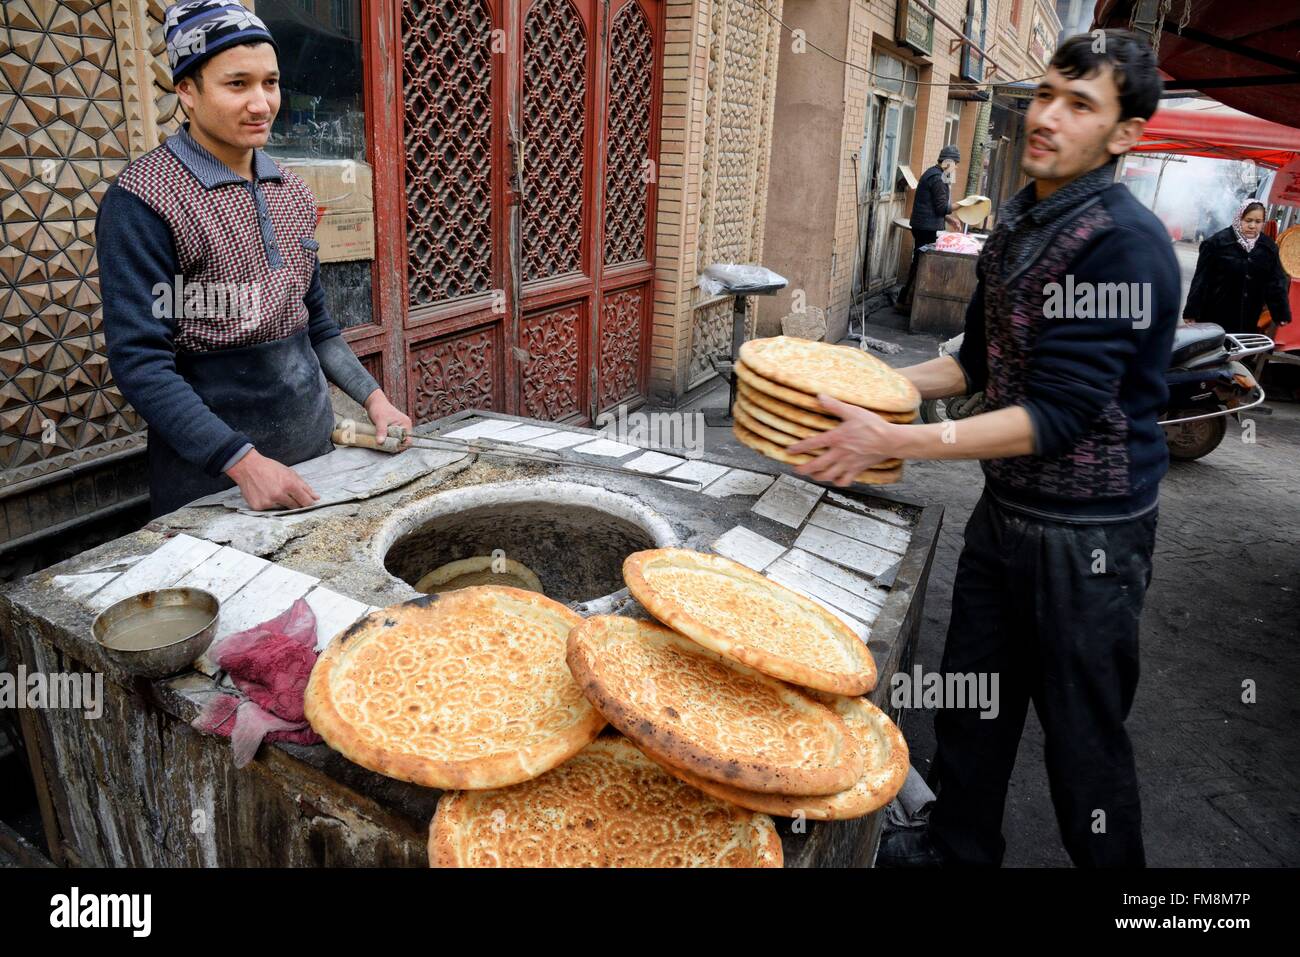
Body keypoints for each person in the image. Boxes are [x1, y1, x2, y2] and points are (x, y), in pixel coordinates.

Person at [788, 30, 1180, 867]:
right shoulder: (1020, 218)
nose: (1047, 117)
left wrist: (894, 439)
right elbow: (973, 360)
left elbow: (1058, 415)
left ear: (1125, 134)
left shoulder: (1122, 243)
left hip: (1089, 540)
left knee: (1083, 744)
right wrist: (870, 381)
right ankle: (955, 851)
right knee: (971, 704)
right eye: (1045, 94)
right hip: (1007, 518)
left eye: (1081, 105)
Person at [96, 1, 411, 516]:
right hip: (211, 475)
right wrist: (241, 461)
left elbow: (318, 327)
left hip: (313, 456)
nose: (261, 103)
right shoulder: (143, 201)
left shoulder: (291, 191)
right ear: (187, 92)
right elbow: (140, 363)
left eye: (270, 82)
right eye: (237, 84)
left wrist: (375, 398)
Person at [1183, 199, 1292, 335]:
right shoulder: (1217, 244)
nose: (1253, 226)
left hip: (1248, 318)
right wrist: (1191, 311)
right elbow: (1201, 280)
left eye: (1258, 222)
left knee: (1241, 352)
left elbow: (1275, 282)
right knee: (1216, 352)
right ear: (1239, 218)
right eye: (1248, 220)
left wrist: (1280, 313)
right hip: (1214, 315)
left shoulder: (1268, 248)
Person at [899, 145, 962, 312]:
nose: (956, 167)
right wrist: (964, 204)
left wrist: (950, 219)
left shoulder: (932, 172)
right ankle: (906, 302)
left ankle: (905, 301)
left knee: (918, 262)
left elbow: (935, 206)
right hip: (925, 228)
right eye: (956, 163)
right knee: (921, 263)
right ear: (949, 162)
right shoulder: (939, 178)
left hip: (922, 225)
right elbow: (942, 207)